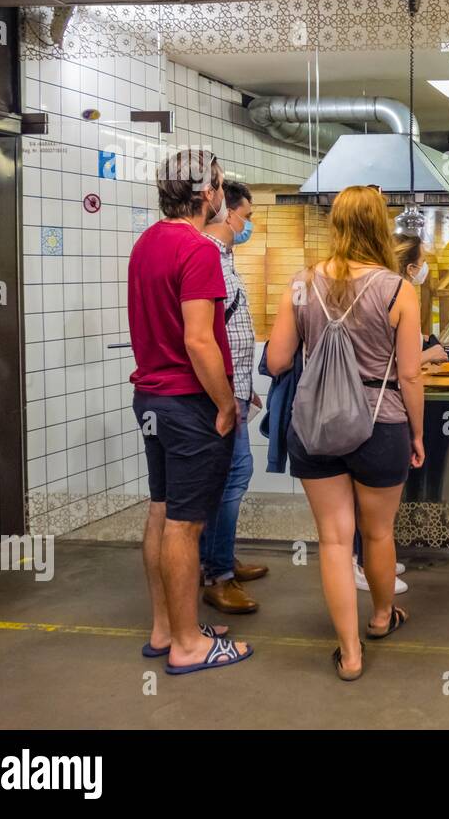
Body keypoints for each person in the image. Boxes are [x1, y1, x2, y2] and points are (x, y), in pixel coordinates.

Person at [266, 186, 425, 680]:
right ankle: (380, 617)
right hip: (383, 423)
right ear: (381, 227)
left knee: (335, 542)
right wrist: (418, 435)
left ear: (335, 226)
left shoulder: (301, 283)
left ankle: (350, 654)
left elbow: (276, 360)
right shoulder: (399, 289)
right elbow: (412, 374)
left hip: (316, 427)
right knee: (377, 533)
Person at [130, 148, 251, 674]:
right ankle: (188, 645)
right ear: (206, 194)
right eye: (220, 185)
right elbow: (200, 342)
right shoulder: (198, 250)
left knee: (161, 511)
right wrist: (226, 403)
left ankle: (165, 628)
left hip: (151, 399)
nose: (223, 194)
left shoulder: (146, 244)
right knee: (185, 526)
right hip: (189, 404)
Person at [348, 234, 441, 596]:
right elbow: (405, 368)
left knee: (370, 506)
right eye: (422, 262)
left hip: (355, 407)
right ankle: (362, 567)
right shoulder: (395, 291)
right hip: (375, 410)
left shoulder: (370, 288)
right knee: (365, 504)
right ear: (411, 267)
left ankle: (373, 560)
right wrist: (416, 434)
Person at [198, 180, 267, 614]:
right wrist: (227, 397)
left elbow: (229, 331)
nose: (250, 224)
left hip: (236, 389)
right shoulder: (207, 258)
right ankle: (216, 574)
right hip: (218, 395)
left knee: (231, 478)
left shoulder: (226, 258)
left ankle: (222, 559)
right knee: (231, 477)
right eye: (248, 215)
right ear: (228, 212)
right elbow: (202, 338)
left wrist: (246, 388)